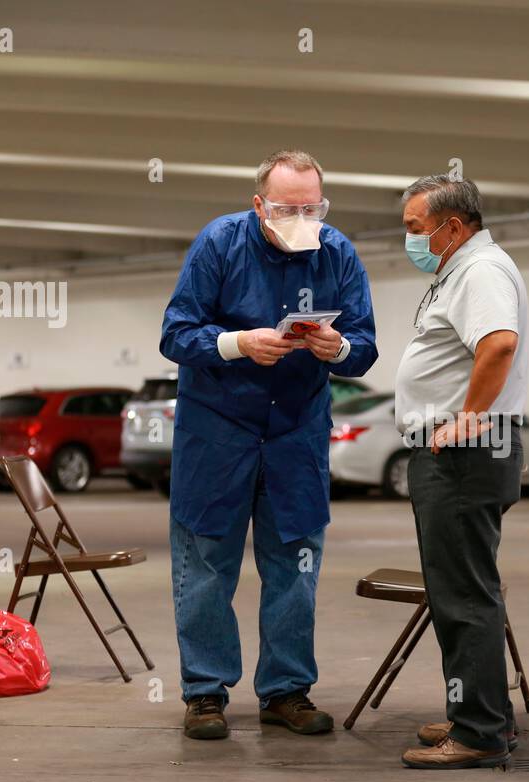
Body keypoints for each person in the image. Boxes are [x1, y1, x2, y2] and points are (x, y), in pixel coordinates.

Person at [160, 149, 377, 740]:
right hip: (217, 433)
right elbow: (176, 333)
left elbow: (366, 346)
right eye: (287, 208)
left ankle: (286, 691)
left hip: (295, 435)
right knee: (206, 565)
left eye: (313, 208)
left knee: (295, 568)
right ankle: (205, 694)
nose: (302, 219)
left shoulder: (337, 253)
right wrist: (237, 343)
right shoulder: (219, 244)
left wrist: (337, 349)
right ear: (259, 206)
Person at [393, 174, 529, 769]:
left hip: (464, 457)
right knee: (459, 590)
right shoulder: (462, 271)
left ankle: (478, 733)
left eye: (415, 230)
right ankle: (476, 712)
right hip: (459, 454)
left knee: (463, 593)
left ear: (452, 228)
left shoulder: (480, 272)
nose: (409, 240)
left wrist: (470, 419)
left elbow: (498, 344)